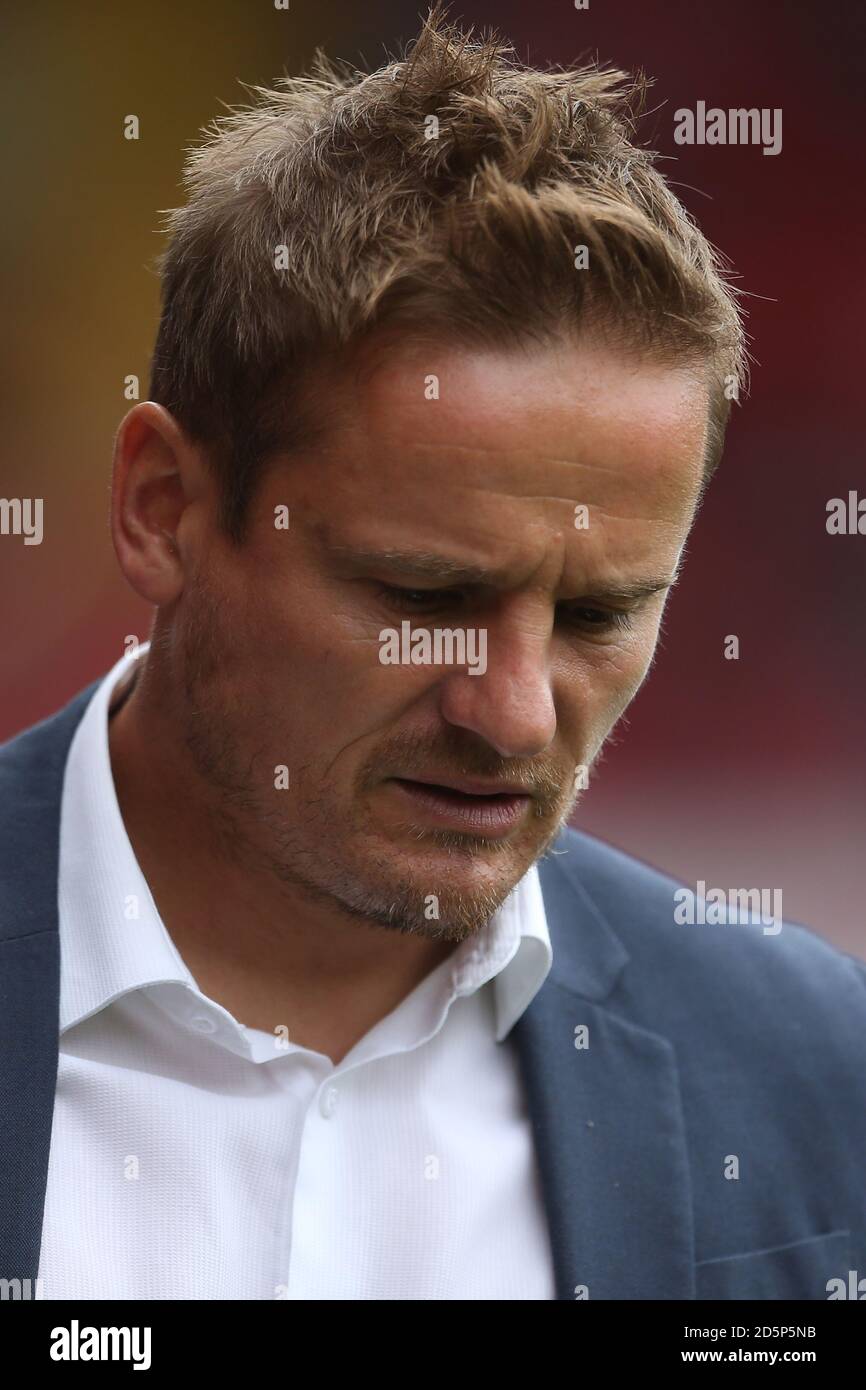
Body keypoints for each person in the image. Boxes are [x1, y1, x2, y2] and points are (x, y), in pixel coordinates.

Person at [1, 7, 863, 1301]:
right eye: (425, 591)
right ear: (164, 510)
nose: (512, 713)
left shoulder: (809, 1074)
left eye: (598, 614)